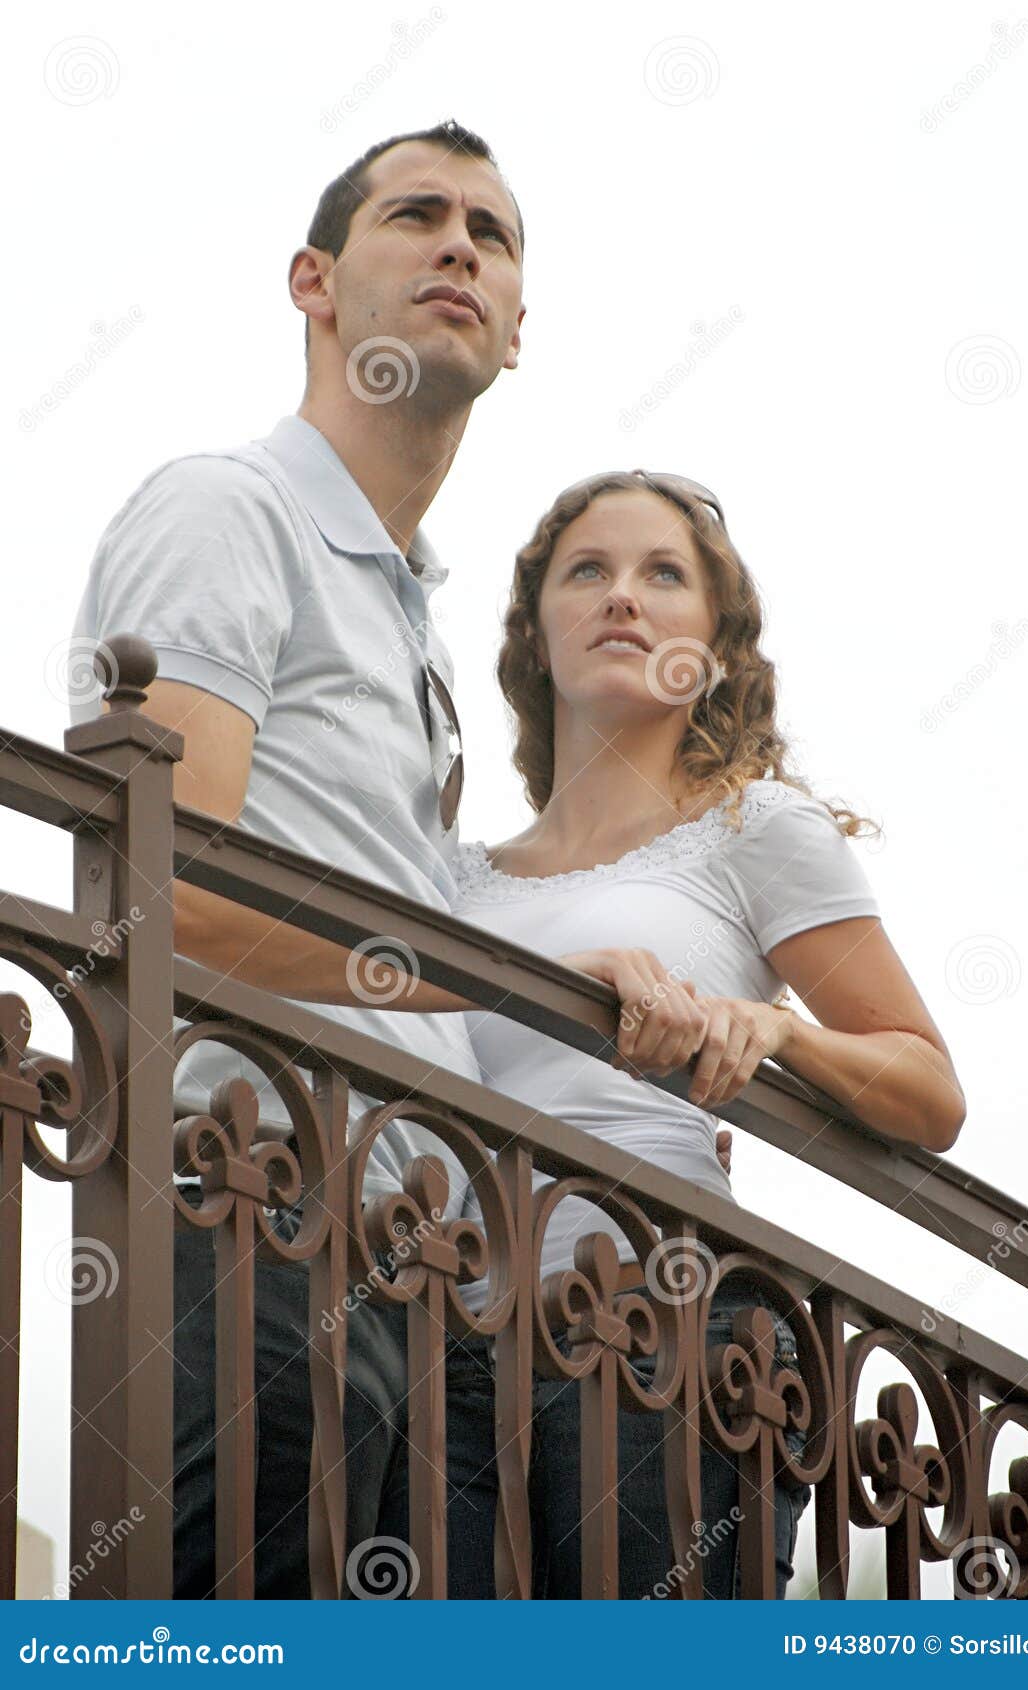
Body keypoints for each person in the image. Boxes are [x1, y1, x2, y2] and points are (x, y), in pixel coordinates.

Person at [68, 122, 717, 1598]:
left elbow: (389, 944)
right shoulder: (231, 509)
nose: (460, 249)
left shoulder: (410, 618)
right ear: (314, 281)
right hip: (249, 1199)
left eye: (492, 235)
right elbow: (169, 894)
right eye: (418, 217)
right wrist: (515, 974)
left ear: (516, 323)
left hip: (411, 1266)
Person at [378, 467, 969, 1598]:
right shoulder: (444, 876)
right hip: (443, 1341)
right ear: (534, 639)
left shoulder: (757, 829)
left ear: (715, 641)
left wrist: (776, 1033)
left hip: (668, 1331)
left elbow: (927, 1088)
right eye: (587, 571)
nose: (622, 598)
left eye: (664, 575)